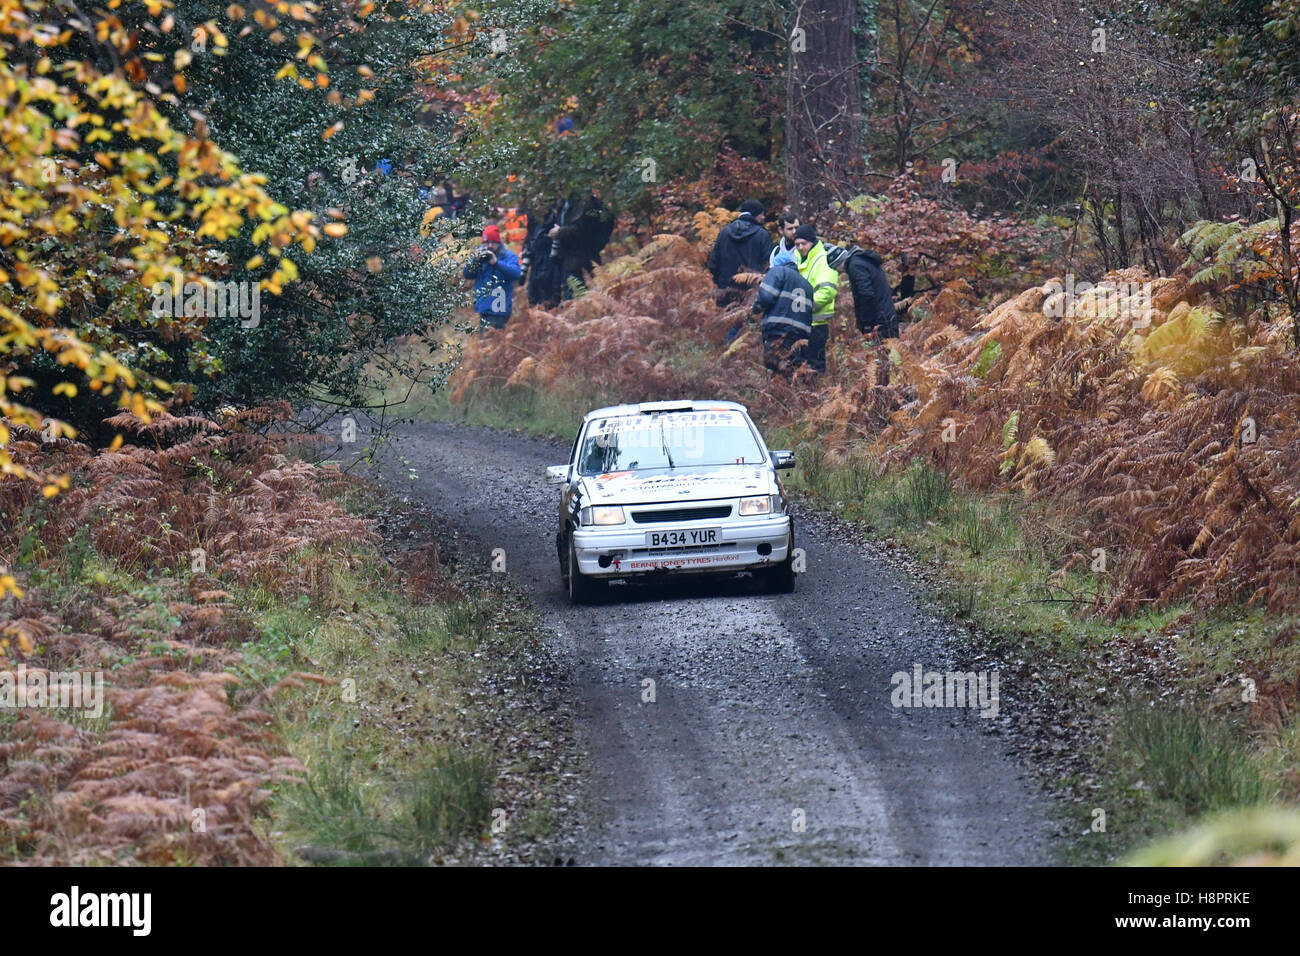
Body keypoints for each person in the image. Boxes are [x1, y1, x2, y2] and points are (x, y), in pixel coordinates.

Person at [751, 246, 815, 375]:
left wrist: (754, 310)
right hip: (800, 337)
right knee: (792, 374)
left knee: (776, 374)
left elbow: (765, 296)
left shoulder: (777, 271)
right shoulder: (807, 285)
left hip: (778, 332)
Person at [548, 188, 613, 299]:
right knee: (572, 293)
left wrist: (560, 232)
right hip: (567, 256)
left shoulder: (585, 203)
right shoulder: (563, 204)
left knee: (584, 295)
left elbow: (584, 229)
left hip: (584, 255)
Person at [707, 199, 774, 307]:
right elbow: (769, 265)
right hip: (751, 296)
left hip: (726, 293)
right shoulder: (762, 235)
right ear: (755, 214)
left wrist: (721, 284)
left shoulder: (724, 232)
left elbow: (713, 264)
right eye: (762, 214)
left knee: (727, 322)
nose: (763, 217)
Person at [825, 243, 899, 341]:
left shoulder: (855, 266)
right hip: (886, 315)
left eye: (836, 268)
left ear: (838, 263)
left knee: (881, 352)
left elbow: (866, 294)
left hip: (878, 320)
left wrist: (867, 323)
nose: (839, 272)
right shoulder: (863, 261)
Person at [793, 224, 838, 374]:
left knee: (815, 365)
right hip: (800, 321)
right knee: (799, 365)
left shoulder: (823, 260)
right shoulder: (797, 259)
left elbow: (827, 291)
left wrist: (803, 307)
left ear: (812, 242)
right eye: (797, 244)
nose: (800, 247)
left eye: (803, 243)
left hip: (816, 323)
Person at [463, 225, 522, 330]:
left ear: (498, 242)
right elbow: (467, 274)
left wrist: (497, 263)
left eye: (492, 243)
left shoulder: (508, 256)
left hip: (499, 307)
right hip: (484, 308)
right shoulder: (479, 256)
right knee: (486, 344)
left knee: (491, 341)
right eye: (486, 243)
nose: (489, 246)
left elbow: (516, 274)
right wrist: (475, 260)